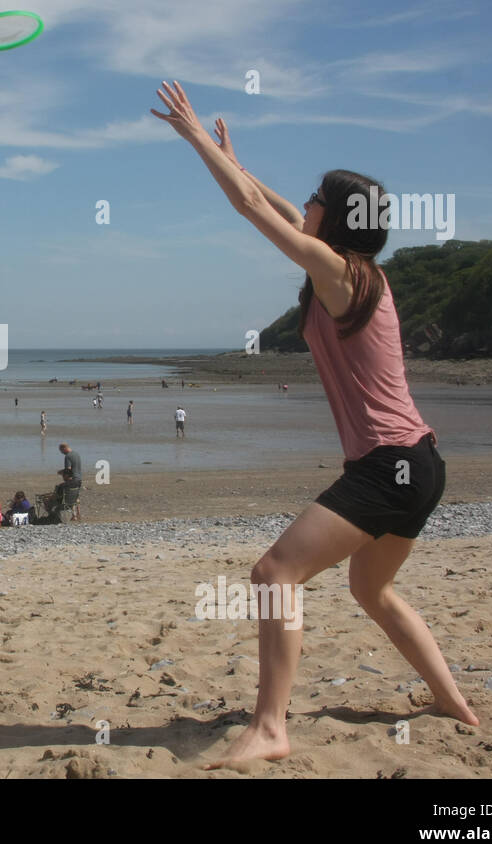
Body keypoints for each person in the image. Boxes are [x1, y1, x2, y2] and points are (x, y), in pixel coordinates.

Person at [150, 78, 475, 770]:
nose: (305, 206)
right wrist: (233, 159)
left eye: (317, 201)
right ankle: (452, 700)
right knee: (371, 589)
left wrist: (196, 141)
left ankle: (271, 727)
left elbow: (247, 207)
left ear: (338, 220)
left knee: (274, 574)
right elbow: (264, 198)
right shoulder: (352, 272)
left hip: (390, 465)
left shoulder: (338, 273)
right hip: (417, 463)